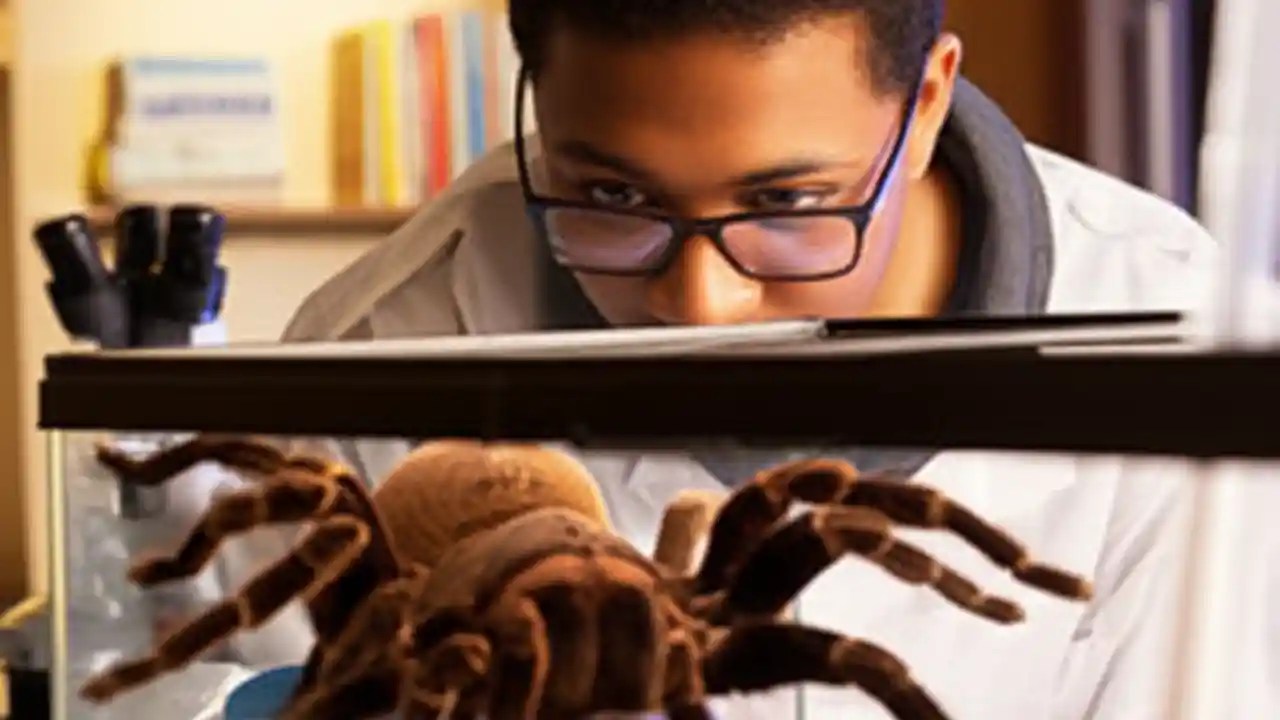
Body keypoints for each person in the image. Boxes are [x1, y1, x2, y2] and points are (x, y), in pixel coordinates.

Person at [280, 1, 1220, 718]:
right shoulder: (383, 345)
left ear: (925, 102)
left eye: (789, 204)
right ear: (536, 94)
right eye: (611, 194)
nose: (700, 302)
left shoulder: (1182, 337)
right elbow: (231, 679)